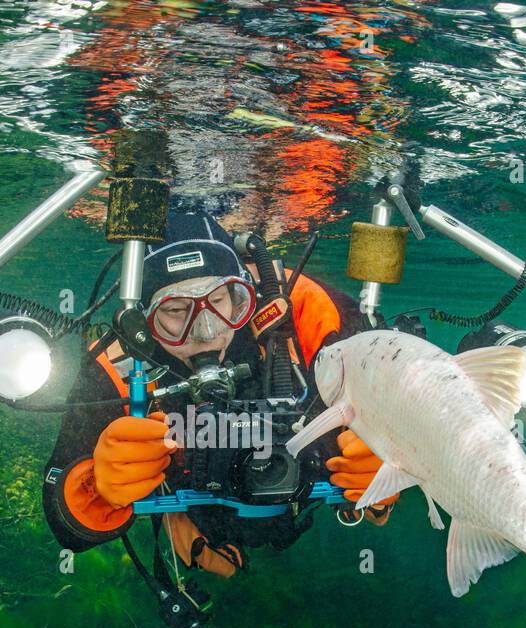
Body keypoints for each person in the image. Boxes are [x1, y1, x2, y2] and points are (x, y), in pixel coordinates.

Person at [41, 207, 398, 580]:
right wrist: (99, 485)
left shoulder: (300, 307)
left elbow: (407, 396)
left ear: (241, 294)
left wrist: (391, 460)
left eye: (220, 302)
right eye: (176, 309)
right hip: (203, 518)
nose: (206, 331)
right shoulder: (122, 359)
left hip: (301, 503)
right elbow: (65, 525)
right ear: (144, 320)